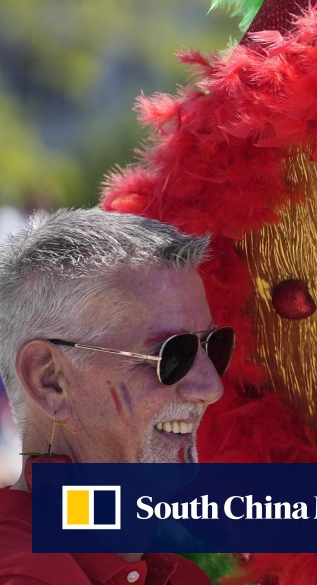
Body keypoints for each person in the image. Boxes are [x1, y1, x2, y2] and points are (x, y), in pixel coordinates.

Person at [0, 209, 230, 584]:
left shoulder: (180, 574)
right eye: (171, 354)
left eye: (214, 346)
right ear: (50, 381)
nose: (210, 387)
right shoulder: (23, 572)